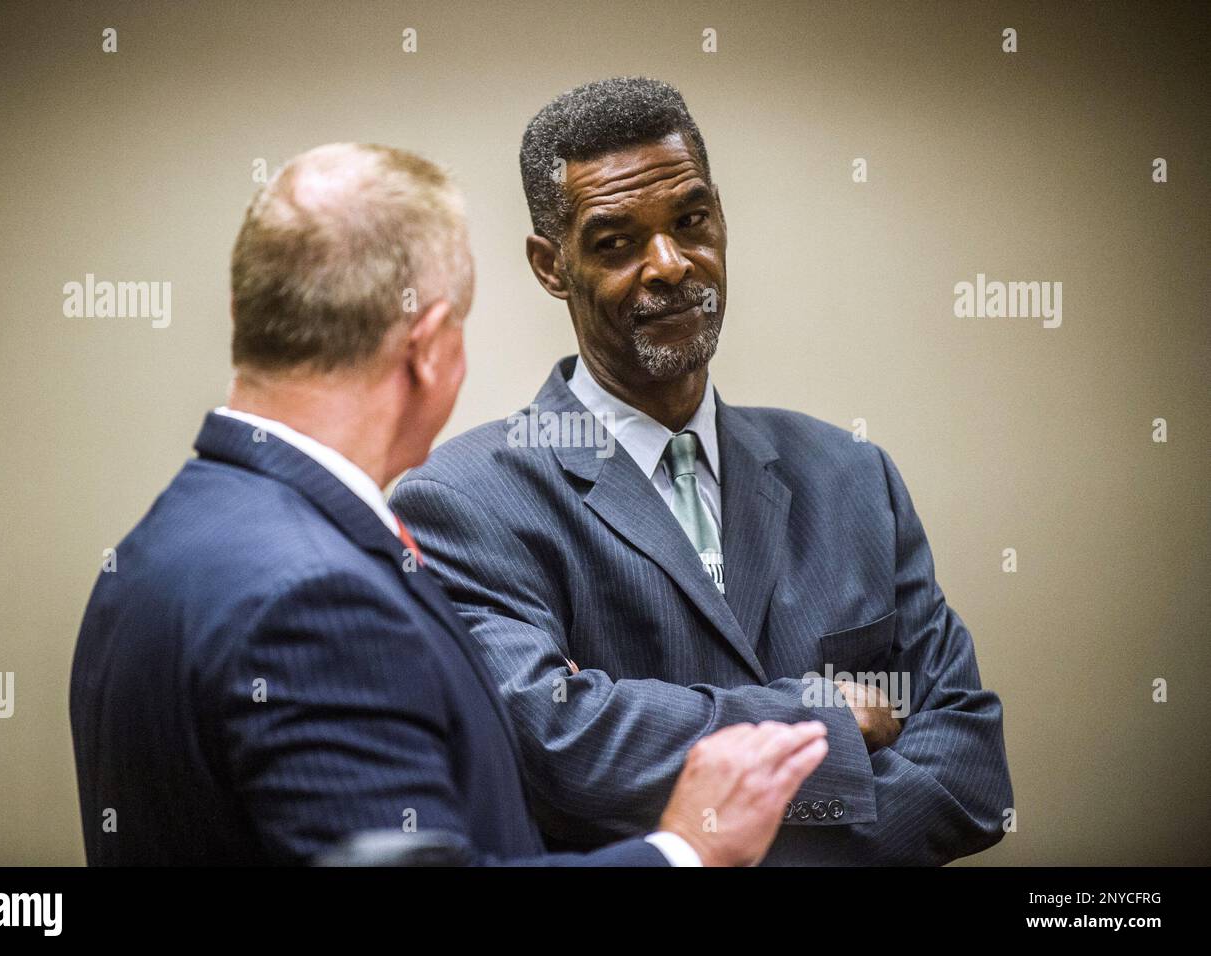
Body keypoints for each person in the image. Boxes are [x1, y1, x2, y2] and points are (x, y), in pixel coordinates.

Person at [68, 142, 828, 866]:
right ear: (429, 349)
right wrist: (686, 851)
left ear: (239, 313)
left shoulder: (153, 546)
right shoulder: (315, 598)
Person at [391, 78, 1013, 864]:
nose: (669, 264)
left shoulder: (855, 478)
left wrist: (730, 839)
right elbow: (559, 745)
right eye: (616, 242)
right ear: (551, 266)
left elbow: (971, 772)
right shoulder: (463, 500)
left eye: (691, 222)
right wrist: (818, 716)